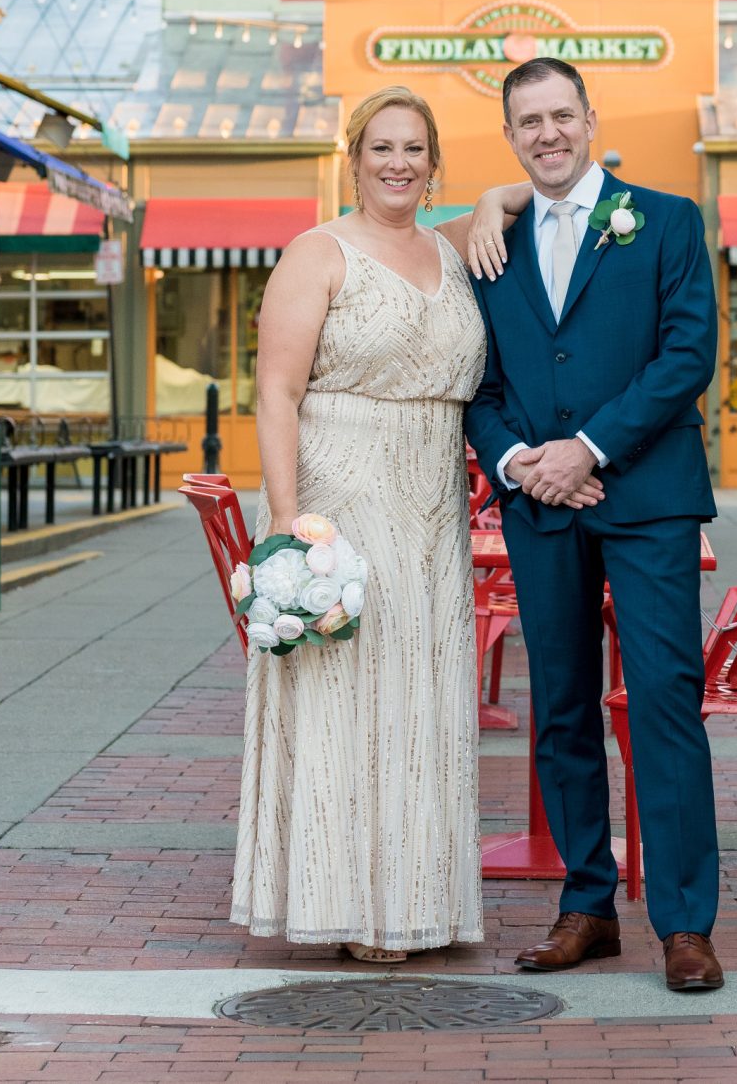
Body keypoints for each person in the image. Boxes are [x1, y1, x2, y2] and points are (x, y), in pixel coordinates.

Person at [232, 85, 554, 963]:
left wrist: (488, 199)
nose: (398, 163)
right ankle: (345, 904)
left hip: (430, 507)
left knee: (424, 700)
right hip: (337, 500)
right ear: (354, 158)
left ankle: (416, 901)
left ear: (434, 161)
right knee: (347, 697)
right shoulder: (317, 251)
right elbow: (276, 392)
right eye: (382, 147)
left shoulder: (454, 247)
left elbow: (539, 188)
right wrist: (290, 521)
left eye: (415, 148)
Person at [463, 57, 725, 994]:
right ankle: (587, 905)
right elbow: (477, 384)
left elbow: (687, 354)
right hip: (540, 505)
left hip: (648, 499)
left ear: (590, 118)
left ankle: (685, 922)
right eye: (529, 121)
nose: (548, 133)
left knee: (663, 699)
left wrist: (588, 448)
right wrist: (516, 462)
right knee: (562, 705)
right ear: (510, 135)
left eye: (561, 115)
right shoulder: (489, 246)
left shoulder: (667, 220)